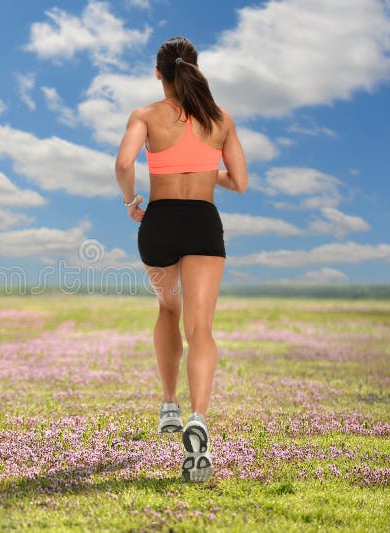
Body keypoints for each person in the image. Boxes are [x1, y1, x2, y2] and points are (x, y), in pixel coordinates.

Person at [114, 36, 248, 482]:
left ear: (159, 73)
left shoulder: (146, 115)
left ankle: (169, 404)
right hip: (203, 224)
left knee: (168, 308)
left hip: (160, 221)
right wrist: (207, 170)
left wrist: (132, 201)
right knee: (201, 328)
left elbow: (123, 162)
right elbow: (241, 182)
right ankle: (198, 420)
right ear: (195, 68)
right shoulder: (221, 119)